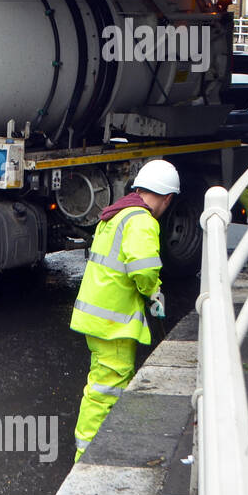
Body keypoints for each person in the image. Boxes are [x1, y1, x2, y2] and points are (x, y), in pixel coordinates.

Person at [69, 160, 180, 462]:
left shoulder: (116, 215)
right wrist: (154, 292)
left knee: (101, 385)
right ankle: (87, 455)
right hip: (113, 323)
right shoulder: (143, 221)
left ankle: (91, 446)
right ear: (167, 198)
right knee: (105, 390)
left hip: (98, 317)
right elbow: (143, 270)